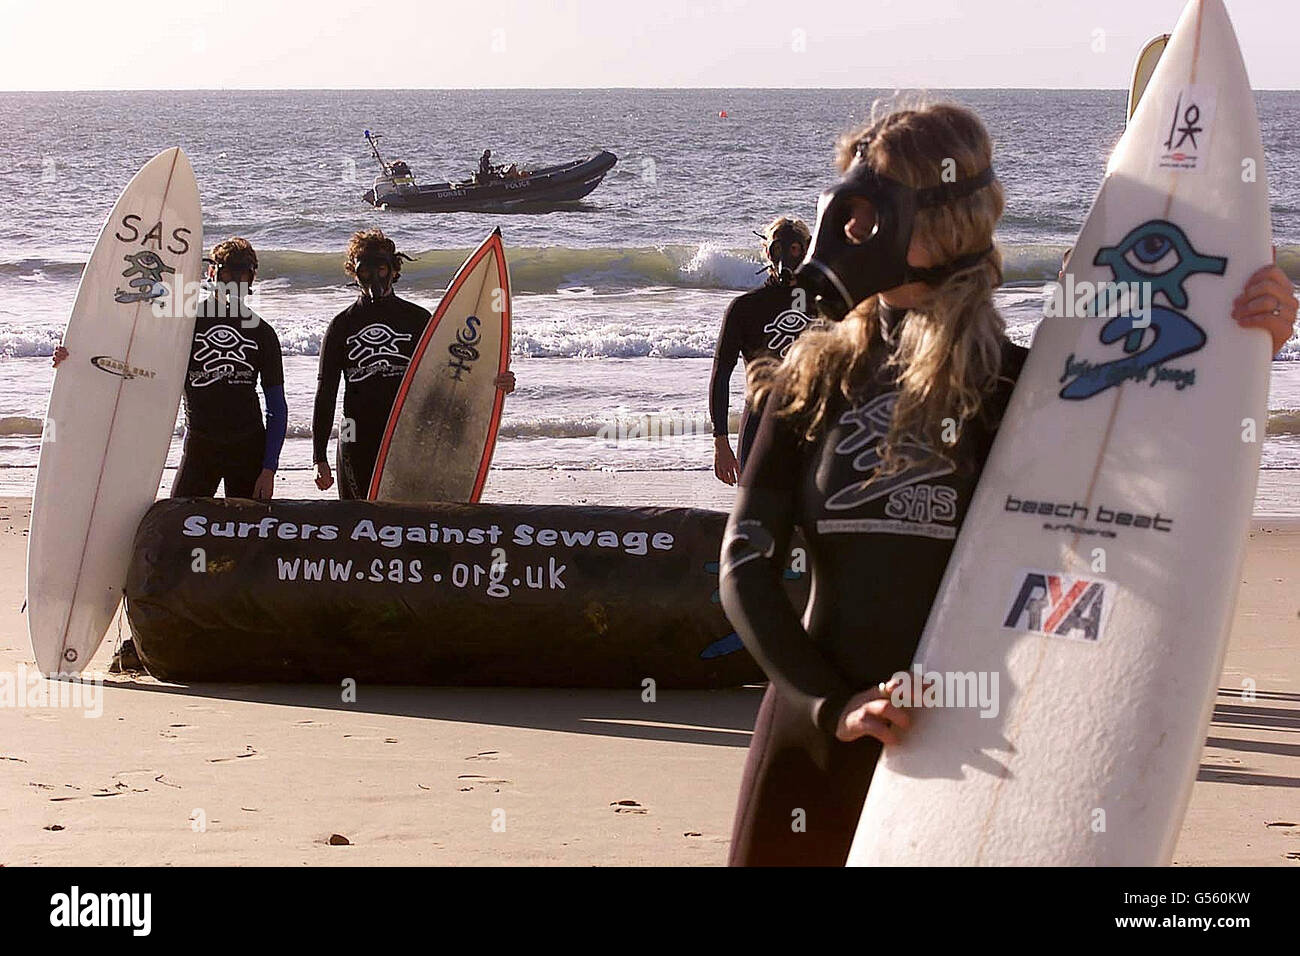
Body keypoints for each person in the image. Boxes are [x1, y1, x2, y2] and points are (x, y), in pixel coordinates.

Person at [718, 103, 1297, 867]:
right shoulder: (807, 383)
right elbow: (743, 560)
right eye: (846, 210)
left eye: (870, 212)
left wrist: (1244, 348)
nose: (851, 235)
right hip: (815, 740)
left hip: (971, 751)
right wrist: (833, 704)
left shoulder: (1028, 393)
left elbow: (1156, 500)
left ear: (946, 220)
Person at [53, 237, 286, 500]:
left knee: (247, 535)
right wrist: (77, 357)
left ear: (252, 279)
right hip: (201, 445)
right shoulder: (184, 325)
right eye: (228, 274)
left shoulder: (263, 334)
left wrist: (269, 468)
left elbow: (276, 407)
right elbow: (131, 364)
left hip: (248, 447)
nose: (234, 283)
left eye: (242, 276)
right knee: (180, 529)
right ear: (212, 273)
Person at [312, 229, 516, 499]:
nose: (374, 279)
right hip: (355, 435)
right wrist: (319, 459)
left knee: (408, 524)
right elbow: (325, 392)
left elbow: (454, 375)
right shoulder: (342, 325)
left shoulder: (418, 320)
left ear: (394, 270)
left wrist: (495, 380)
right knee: (360, 526)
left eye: (382, 269)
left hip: (408, 434)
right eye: (365, 272)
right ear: (355, 274)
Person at [709, 217, 813, 484]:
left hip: (813, 421)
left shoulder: (826, 305)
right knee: (754, 515)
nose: (786, 256)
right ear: (767, 251)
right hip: (760, 419)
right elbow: (721, 373)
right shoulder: (745, 308)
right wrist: (720, 441)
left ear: (807, 249)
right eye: (779, 248)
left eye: (794, 249)